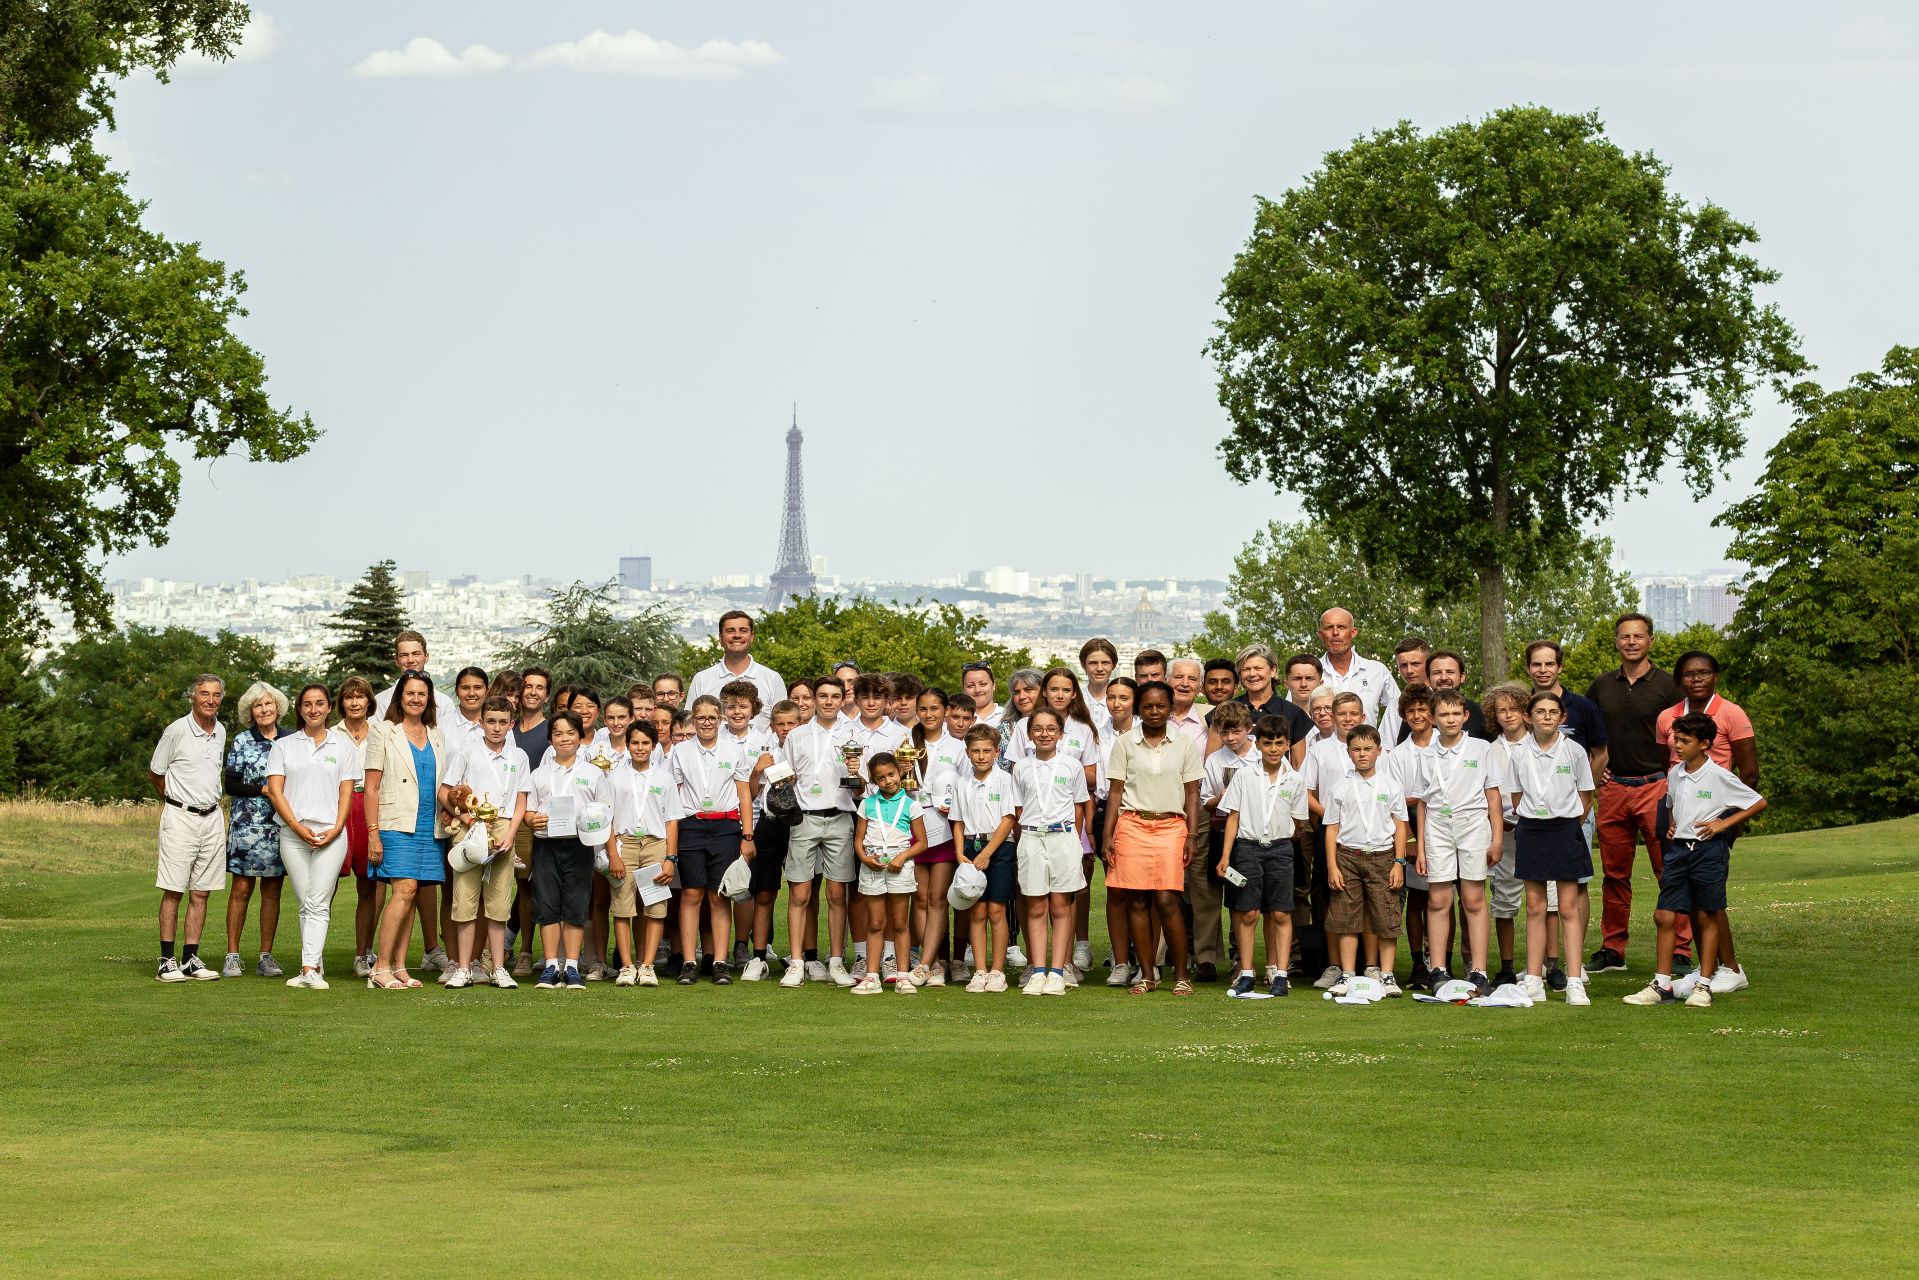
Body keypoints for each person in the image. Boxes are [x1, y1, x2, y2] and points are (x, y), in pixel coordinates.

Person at [1622, 713, 1765, 1009]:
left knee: (1706, 915)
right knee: (1664, 915)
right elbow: (1673, 803)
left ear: (1705, 744)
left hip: (1708, 852)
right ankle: (1661, 984)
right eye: (1676, 739)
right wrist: (1674, 823)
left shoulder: (1720, 776)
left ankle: (1704, 985)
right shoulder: (1675, 773)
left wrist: (1723, 825)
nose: (1677, 746)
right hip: (1677, 851)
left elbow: (1757, 802)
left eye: (1685, 741)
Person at [1655, 650, 1760, 996]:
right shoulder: (1668, 716)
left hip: (1715, 813)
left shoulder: (1732, 713)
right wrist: (1671, 816)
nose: (1696, 679)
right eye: (1688, 674)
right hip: (1679, 808)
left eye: (1703, 673)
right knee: (1683, 893)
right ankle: (1707, 968)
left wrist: (1729, 820)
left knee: (1708, 899)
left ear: (1715, 675)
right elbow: (1666, 767)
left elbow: (1749, 772)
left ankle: (1730, 967)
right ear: (1679, 679)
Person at [1584, 613, 1682, 976]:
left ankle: (1682, 949)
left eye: (1638, 636)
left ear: (1650, 641)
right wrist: (1596, 769)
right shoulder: (1602, 685)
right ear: (1616, 641)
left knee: (1668, 870)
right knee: (1614, 874)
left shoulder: (1669, 686)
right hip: (1613, 788)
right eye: (1624, 636)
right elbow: (1586, 733)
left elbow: (1684, 735)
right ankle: (1613, 949)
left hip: (1657, 786)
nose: (1631, 642)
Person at [1102, 680, 1202, 996]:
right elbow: (1115, 792)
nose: (1154, 711)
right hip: (1132, 825)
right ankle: (1147, 975)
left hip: (1173, 827)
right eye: (1148, 706)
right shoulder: (1125, 744)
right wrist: (1108, 835)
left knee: (1167, 900)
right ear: (1138, 709)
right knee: (1138, 900)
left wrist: (1192, 836)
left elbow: (1192, 793)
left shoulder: (1184, 744)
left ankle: (1182, 975)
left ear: (1170, 708)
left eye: (1161, 705)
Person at [264, 684, 362, 990]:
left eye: (319, 703)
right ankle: (312, 966)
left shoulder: (342, 746)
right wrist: (295, 826)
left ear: (329, 707)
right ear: (299, 709)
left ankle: (309, 968)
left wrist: (336, 828)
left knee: (318, 901)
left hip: (331, 835)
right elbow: (276, 791)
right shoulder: (284, 746)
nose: (314, 709)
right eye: (307, 704)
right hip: (293, 834)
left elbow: (347, 791)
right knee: (307, 901)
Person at [1506, 689, 1597, 1006]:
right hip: (1531, 829)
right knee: (1534, 905)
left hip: (1565, 829)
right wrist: (1535, 816)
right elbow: (1516, 797)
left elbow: (1585, 795)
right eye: (1540, 712)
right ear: (1528, 718)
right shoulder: (1518, 753)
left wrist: (1567, 821)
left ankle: (1574, 981)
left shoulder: (1574, 751)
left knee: (1569, 908)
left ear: (1562, 717)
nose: (1546, 716)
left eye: (1552, 712)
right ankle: (1533, 980)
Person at [362, 671, 449, 990]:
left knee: (411, 895)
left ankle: (399, 966)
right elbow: (371, 788)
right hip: (395, 824)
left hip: (430, 826)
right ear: (400, 697)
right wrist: (373, 833)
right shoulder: (383, 731)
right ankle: (379, 966)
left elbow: (440, 784)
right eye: (410, 693)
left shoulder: (435, 734)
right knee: (405, 889)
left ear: (429, 699)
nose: (416, 698)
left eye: (422, 694)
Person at [438, 695, 530, 989]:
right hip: (471, 826)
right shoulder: (466, 752)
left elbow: (521, 800)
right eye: (491, 721)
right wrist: (465, 820)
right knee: (464, 898)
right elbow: (444, 792)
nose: (497, 728)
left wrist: (512, 832)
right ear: (481, 722)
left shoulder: (519, 757)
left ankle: (498, 968)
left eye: (503, 722)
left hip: (503, 827)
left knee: (499, 901)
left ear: (511, 724)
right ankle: (463, 968)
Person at [1216, 714, 1309, 997]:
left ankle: (1280, 973)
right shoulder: (1244, 775)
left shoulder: (1295, 779)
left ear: (1288, 745)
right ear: (1257, 745)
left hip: (1280, 849)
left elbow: (1300, 821)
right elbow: (1233, 817)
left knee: (1280, 911)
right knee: (1248, 913)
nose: (1272, 749)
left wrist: (1285, 836)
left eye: (1279, 743)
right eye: (1267, 743)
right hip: (1247, 848)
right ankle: (1246, 972)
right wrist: (1225, 856)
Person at [1419, 688, 1504, 994]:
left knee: (1473, 899)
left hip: (1473, 824)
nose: (1450, 719)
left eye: (1456, 713)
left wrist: (1496, 839)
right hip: (1438, 826)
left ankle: (1479, 970)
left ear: (1466, 715)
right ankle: (1438, 968)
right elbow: (1423, 802)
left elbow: (1493, 796)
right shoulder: (1426, 754)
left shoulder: (1481, 749)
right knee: (1439, 899)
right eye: (1443, 714)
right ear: (1432, 718)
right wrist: (1421, 847)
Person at [667, 694, 756, 986]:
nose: (706, 723)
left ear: (721, 719)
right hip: (691, 826)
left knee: (719, 896)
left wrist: (747, 834)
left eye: (712, 718)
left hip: (726, 827)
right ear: (693, 720)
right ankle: (690, 961)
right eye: (701, 718)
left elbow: (744, 793)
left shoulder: (733, 750)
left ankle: (719, 960)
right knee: (691, 894)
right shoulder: (680, 752)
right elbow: (673, 794)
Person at [150, 675, 229, 982]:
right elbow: (156, 773)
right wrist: (175, 801)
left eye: (216, 695)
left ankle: (189, 959)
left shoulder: (220, 730)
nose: (210, 700)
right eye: (204, 694)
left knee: (201, 891)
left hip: (211, 818)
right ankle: (166, 960)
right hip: (180, 817)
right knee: (173, 889)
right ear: (193, 698)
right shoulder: (177, 730)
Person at [780, 675, 856, 987]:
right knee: (799, 892)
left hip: (840, 816)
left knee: (837, 893)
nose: (827, 701)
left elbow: (862, 782)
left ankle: (837, 961)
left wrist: (856, 777)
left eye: (834, 696)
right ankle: (797, 962)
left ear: (842, 700)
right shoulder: (796, 735)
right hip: (805, 818)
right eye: (822, 696)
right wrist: (786, 780)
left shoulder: (854, 732)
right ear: (812, 699)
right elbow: (783, 777)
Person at [1321, 725, 1408, 998]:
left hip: (1383, 857)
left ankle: (1387, 974)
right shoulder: (1341, 786)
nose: (1362, 754)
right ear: (1348, 753)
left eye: (1368, 749)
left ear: (1379, 751)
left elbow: (1401, 827)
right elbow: (1332, 829)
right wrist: (1332, 866)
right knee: (1346, 917)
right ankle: (1347, 974)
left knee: (1385, 917)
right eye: (1356, 749)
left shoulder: (1391, 785)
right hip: (1348, 856)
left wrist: (1399, 862)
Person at [524, 709, 607, 990]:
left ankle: (571, 966)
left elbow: (605, 811)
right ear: (550, 739)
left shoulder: (593, 773)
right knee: (547, 904)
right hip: (546, 844)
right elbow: (528, 811)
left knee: (575, 905)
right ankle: (550, 966)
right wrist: (530, 819)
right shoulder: (539, 774)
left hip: (579, 845)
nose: (564, 738)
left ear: (580, 737)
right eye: (558, 733)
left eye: (571, 733)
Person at [1011, 707, 1090, 995]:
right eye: (1038, 729)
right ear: (1030, 734)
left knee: (1060, 905)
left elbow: (1079, 805)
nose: (1044, 734)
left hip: (1063, 838)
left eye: (1051, 729)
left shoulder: (1072, 766)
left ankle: (1057, 971)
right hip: (1032, 838)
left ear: (1060, 733)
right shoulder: (1021, 767)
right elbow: (1018, 809)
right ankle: (1037, 970)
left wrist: (1073, 840)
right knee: (1036, 906)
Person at [221, 680, 288, 978]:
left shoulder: (290, 740)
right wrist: (263, 790)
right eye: (258, 705)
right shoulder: (241, 741)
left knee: (272, 891)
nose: (264, 709)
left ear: (278, 707)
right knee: (242, 889)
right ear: (251, 711)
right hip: (247, 827)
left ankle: (265, 956)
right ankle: (232, 955)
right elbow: (231, 784)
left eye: (268, 703)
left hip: (279, 827)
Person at [607, 718, 681, 988]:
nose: (640, 748)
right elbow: (609, 818)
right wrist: (613, 854)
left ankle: (647, 966)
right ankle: (626, 966)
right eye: (635, 743)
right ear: (627, 745)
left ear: (653, 746)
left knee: (655, 906)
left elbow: (672, 819)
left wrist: (670, 858)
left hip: (655, 844)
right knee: (623, 907)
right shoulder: (614, 777)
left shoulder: (664, 778)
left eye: (645, 743)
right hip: (624, 843)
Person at [851, 753, 927, 995]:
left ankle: (903, 976)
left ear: (900, 772)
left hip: (900, 864)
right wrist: (865, 859)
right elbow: (858, 841)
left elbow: (921, 843)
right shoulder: (867, 804)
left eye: (892, 775)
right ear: (874, 781)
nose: (888, 781)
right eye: (881, 778)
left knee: (900, 922)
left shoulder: (911, 804)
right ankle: (872, 976)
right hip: (872, 864)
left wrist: (902, 857)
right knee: (875, 922)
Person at [952, 724, 1019, 992]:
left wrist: (988, 852)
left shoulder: (1004, 780)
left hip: (999, 847)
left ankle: (997, 971)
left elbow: (1009, 819)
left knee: (996, 909)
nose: (981, 756)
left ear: (996, 751)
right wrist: (959, 852)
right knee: (976, 910)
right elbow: (956, 821)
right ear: (967, 753)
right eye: (976, 751)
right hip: (970, 845)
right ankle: (979, 970)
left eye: (987, 751)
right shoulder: (961, 782)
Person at [1195, 699, 1257, 980]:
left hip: (1252, 832)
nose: (1231, 738)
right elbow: (1206, 800)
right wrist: (1221, 798)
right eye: (1225, 732)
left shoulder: (1262, 753)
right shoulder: (1215, 759)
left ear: (1248, 728)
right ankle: (1206, 957)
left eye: (1236, 732)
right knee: (1209, 893)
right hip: (1220, 828)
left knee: (1240, 895)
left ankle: (1238, 956)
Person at [742, 697, 801, 981]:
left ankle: (803, 957)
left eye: (792, 723)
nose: (786, 729)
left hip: (799, 825)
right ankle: (759, 955)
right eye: (781, 724)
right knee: (764, 892)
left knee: (802, 893)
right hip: (769, 825)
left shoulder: (803, 748)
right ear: (772, 725)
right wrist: (757, 770)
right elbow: (753, 793)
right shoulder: (764, 751)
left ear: (800, 723)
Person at [333, 676, 381, 978]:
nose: (354, 702)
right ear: (342, 703)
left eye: (360, 697)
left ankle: (363, 952)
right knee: (327, 883)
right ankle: (313, 954)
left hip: (369, 804)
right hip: (339, 804)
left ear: (368, 701)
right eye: (349, 697)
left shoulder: (380, 733)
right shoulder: (331, 734)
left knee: (368, 885)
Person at [507, 666, 551, 977]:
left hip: (540, 817)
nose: (533, 692)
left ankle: (527, 951)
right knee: (511, 885)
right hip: (509, 815)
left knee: (534, 887)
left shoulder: (551, 731)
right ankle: (508, 949)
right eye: (528, 686)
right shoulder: (508, 728)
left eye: (539, 687)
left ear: (547, 695)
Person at [687, 610, 787, 730]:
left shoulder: (772, 679)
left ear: (752, 636)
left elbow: (783, 724)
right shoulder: (702, 679)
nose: (737, 635)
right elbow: (689, 726)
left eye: (743, 631)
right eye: (730, 631)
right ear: (720, 638)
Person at [1317, 608, 1399, 730]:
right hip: (1319, 748)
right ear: (1320, 634)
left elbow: (1399, 712)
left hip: (1366, 748)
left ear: (1353, 632)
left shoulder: (1376, 671)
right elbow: (1293, 714)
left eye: (1341, 627)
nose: (1335, 632)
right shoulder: (1308, 674)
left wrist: (1384, 742)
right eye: (1329, 628)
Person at [1233, 644, 1312, 760]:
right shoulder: (1227, 710)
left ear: (1273, 670)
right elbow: (1214, 760)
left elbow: (1298, 767)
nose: (1252, 674)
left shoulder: (1293, 713)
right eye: (1246, 669)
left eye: (1258, 668)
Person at [371, 629, 461, 724]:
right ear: (396, 661)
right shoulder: (381, 701)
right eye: (404, 655)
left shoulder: (444, 703)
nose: (410, 660)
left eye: (416, 654)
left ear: (426, 657)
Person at [1423, 650, 1492, 740]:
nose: (1444, 677)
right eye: (1437, 673)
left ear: (1462, 677)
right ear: (1428, 679)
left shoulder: (1480, 713)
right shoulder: (1417, 714)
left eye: (1450, 672)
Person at [1079, 638, 1118, 729]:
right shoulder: (1075, 700)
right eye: (1093, 663)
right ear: (1083, 665)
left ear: (1114, 665)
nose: (1100, 668)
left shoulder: (1125, 702)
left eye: (1105, 663)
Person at [961, 661, 1002, 729]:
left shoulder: (1008, 716)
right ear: (964, 689)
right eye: (971, 686)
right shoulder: (953, 720)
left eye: (983, 684)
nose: (977, 690)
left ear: (994, 685)